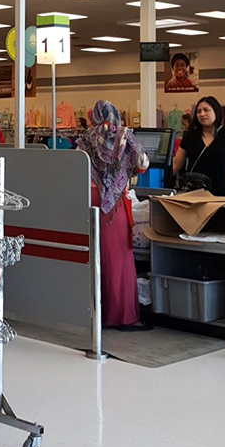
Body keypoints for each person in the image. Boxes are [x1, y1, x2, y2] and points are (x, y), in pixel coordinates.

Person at [77, 101, 151, 330]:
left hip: (88, 200)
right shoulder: (125, 136)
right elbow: (142, 164)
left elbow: (75, 167)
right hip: (115, 205)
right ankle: (122, 316)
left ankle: (94, 313)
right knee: (119, 260)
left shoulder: (84, 139)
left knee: (92, 258)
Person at [172, 96, 225, 196]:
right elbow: (176, 163)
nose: (202, 114)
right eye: (198, 111)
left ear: (216, 111)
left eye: (206, 110)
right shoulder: (190, 136)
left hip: (223, 192)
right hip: (195, 193)